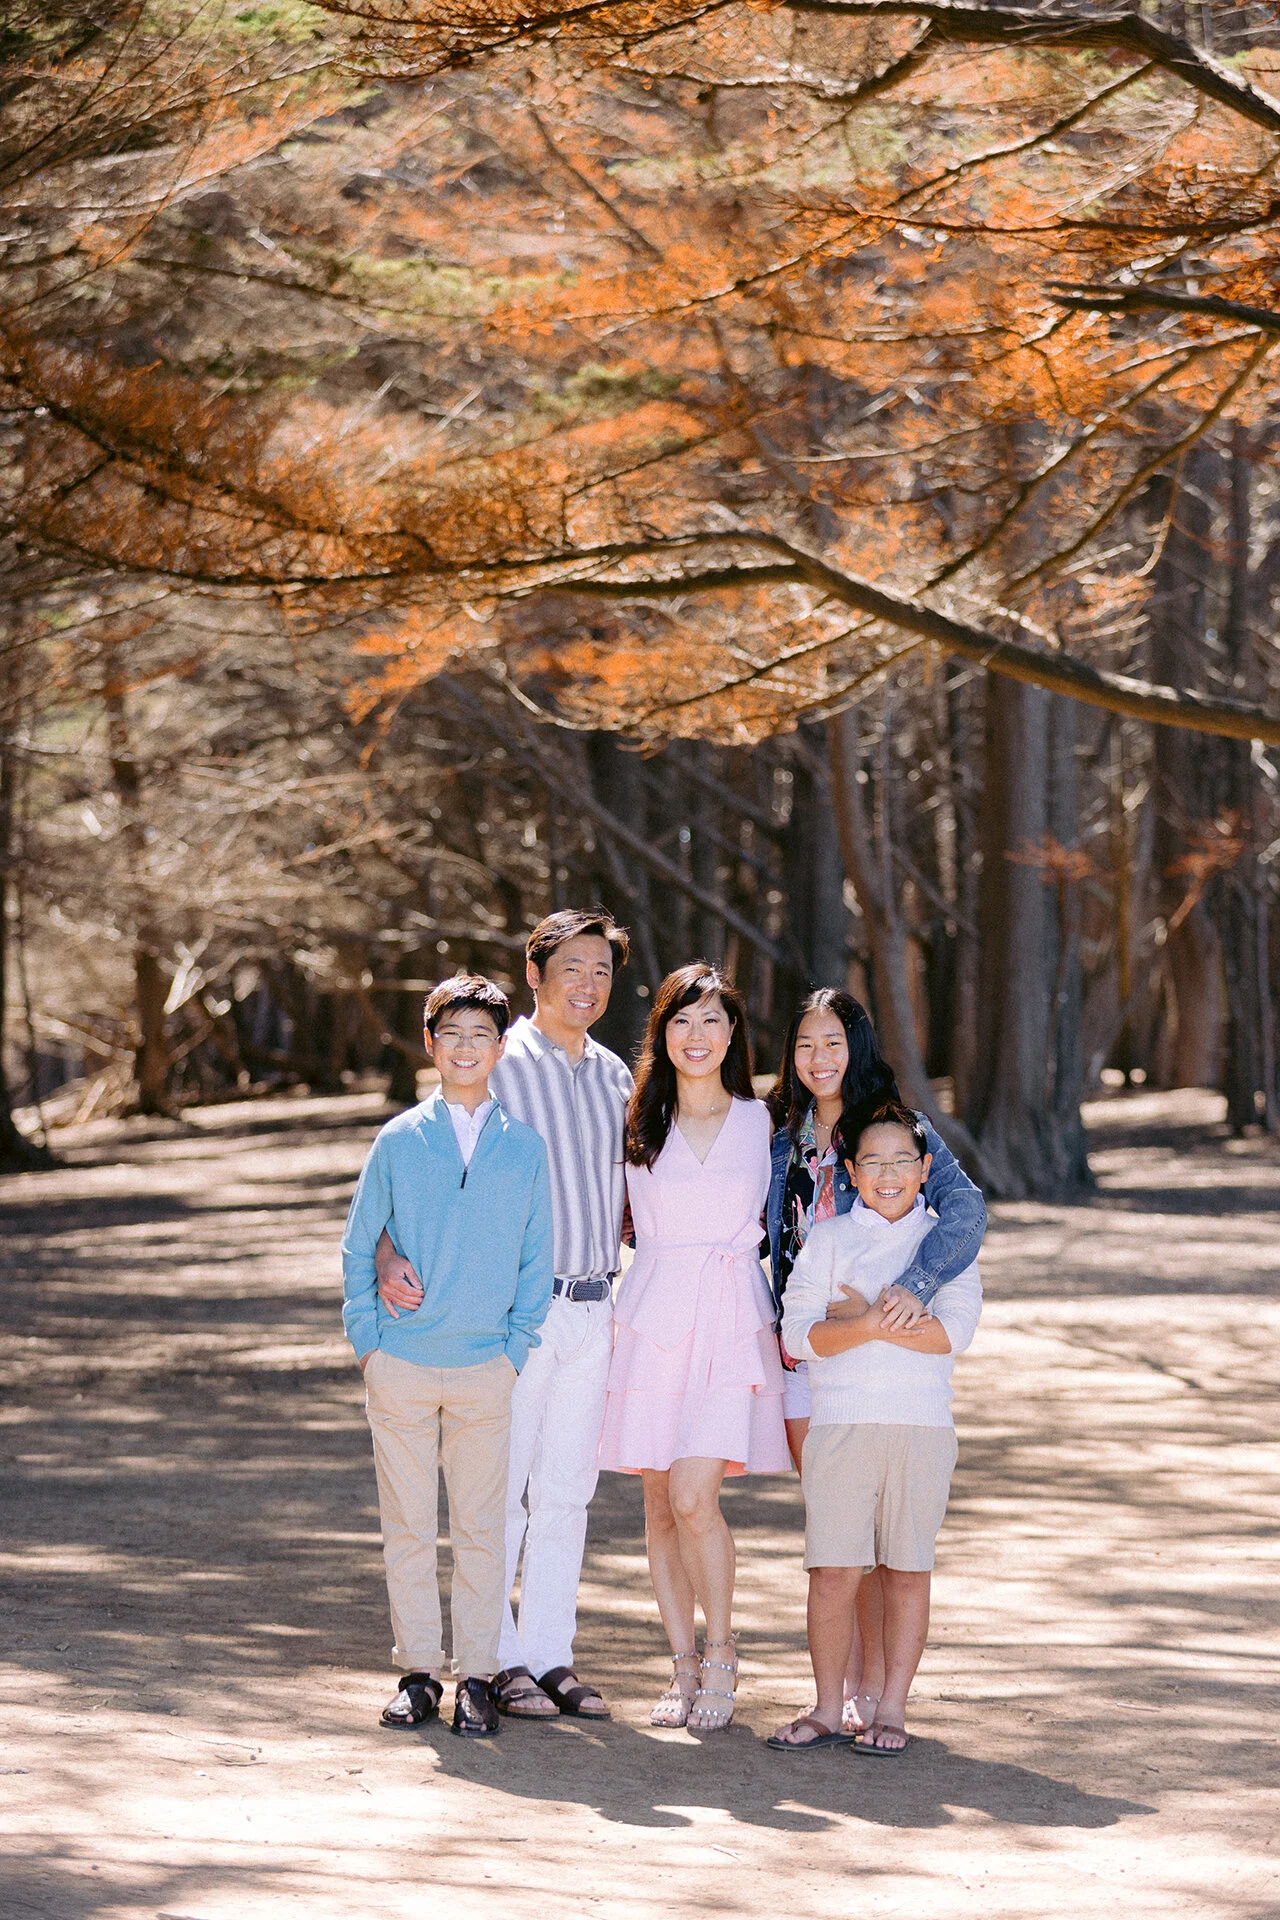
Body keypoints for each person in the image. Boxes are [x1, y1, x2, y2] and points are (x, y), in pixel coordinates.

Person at [375, 909, 633, 1722]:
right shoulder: (497, 1059)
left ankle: (551, 1653)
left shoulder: (616, 1076)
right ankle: (503, 1656)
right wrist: (386, 1255)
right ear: (535, 972)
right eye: (572, 968)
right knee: (502, 1494)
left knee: (567, 1491)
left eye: (602, 971)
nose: (587, 984)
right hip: (518, 1313)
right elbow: (417, 1164)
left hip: (597, 1305)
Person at [766, 987, 987, 1729]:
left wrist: (898, 1296)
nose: (818, 1057)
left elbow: (966, 1212)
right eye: (805, 1043)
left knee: (890, 1550)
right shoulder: (781, 1133)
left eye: (834, 1041)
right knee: (838, 1541)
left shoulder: (899, 1131)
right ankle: (842, 1693)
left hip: (876, 1345)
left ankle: (871, 1696)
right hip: (813, 1352)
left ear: (857, 1048)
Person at [342, 975, 553, 1739]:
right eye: (451, 1034)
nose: (466, 1048)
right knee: (405, 1524)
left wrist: (514, 1350)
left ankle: (477, 1677)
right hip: (400, 1363)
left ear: (501, 1048)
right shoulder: (399, 1140)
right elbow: (358, 1242)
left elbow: (539, 1262)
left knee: (481, 1529)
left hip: (483, 1371)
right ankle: (419, 1672)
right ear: (429, 1044)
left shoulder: (525, 1149)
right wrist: (368, 1341)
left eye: (481, 1035)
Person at [601, 963, 790, 1733]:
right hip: (651, 1313)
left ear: (734, 1032)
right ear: (662, 1033)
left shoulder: (764, 1120)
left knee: (693, 1497)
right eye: (682, 1020)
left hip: (730, 1315)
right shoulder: (635, 1120)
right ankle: (679, 1662)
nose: (698, 1035)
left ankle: (721, 1651)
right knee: (657, 1503)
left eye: (713, 1020)